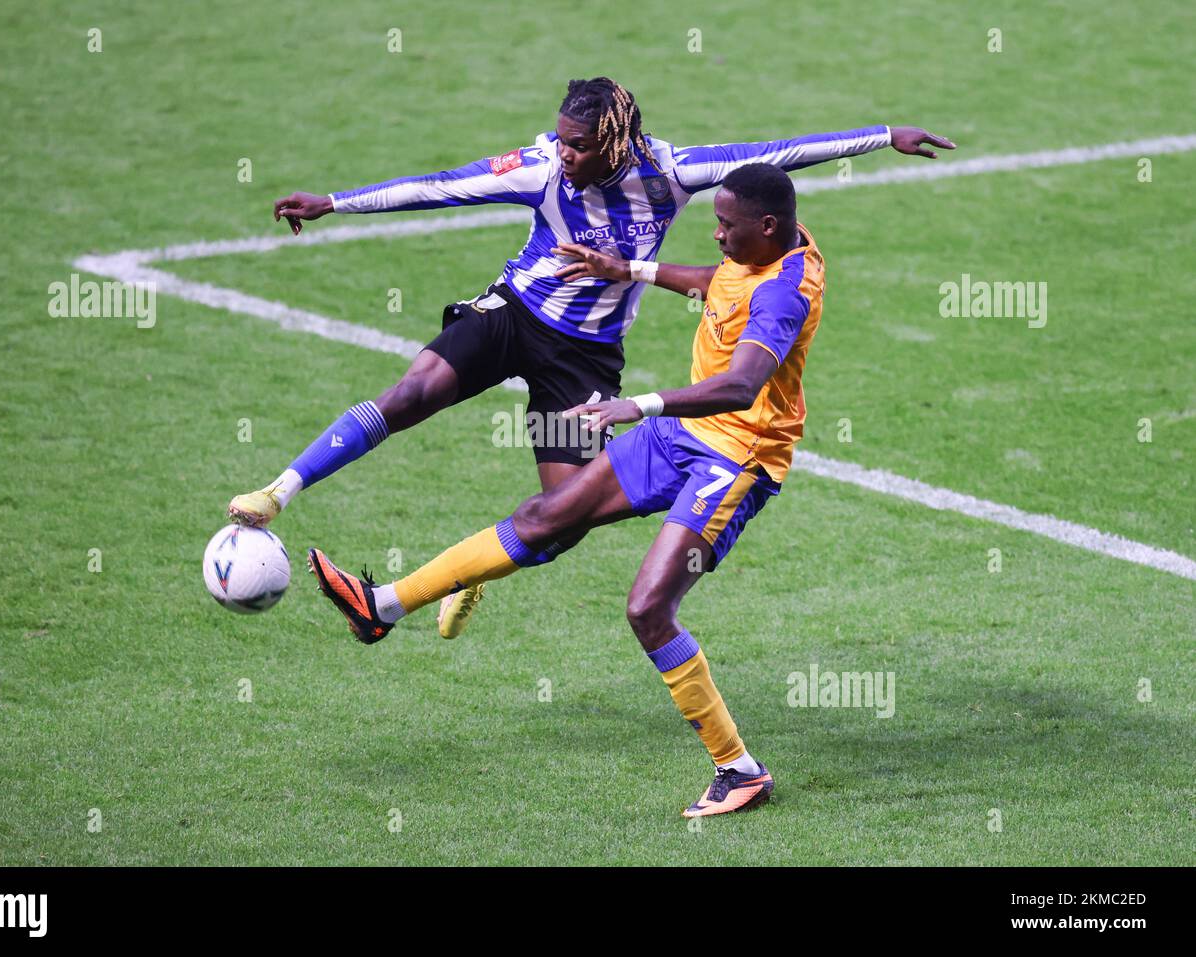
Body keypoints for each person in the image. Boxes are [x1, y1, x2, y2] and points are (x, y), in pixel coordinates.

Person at [231, 77, 953, 642]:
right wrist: (333, 202)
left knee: (562, 515)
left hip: (582, 362)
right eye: (563, 139)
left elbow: (782, 153)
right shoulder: (541, 167)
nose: (563, 150)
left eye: (578, 144)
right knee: (414, 390)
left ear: (615, 140)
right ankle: (280, 490)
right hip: (513, 316)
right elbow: (440, 187)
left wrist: (886, 135)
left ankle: (468, 574)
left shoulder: (671, 175)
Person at [307, 162, 833, 818]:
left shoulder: (785, 292)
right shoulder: (771, 243)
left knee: (648, 609)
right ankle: (380, 607)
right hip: (685, 435)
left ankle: (740, 769)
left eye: (727, 225)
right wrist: (627, 271)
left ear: (768, 225)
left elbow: (740, 385)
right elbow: (719, 284)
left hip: (734, 461)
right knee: (546, 515)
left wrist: (638, 405)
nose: (716, 235)